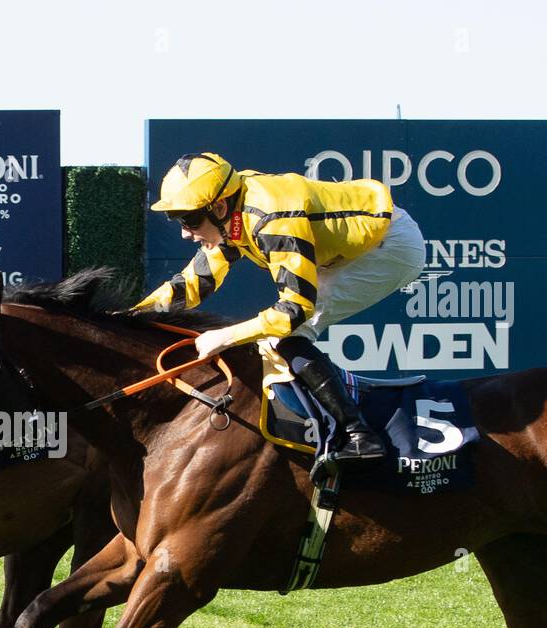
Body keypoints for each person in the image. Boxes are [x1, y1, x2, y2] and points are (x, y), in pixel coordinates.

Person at [136, 152, 427, 471]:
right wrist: (129, 317)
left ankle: (359, 436)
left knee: (288, 333)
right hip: (355, 248)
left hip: (390, 247)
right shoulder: (233, 211)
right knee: (275, 337)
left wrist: (226, 336)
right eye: (178, 220)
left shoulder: (271, 216)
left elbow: (294, 310)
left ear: (219, 207)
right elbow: (193, 284)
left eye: (189, 220)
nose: (185, 233)